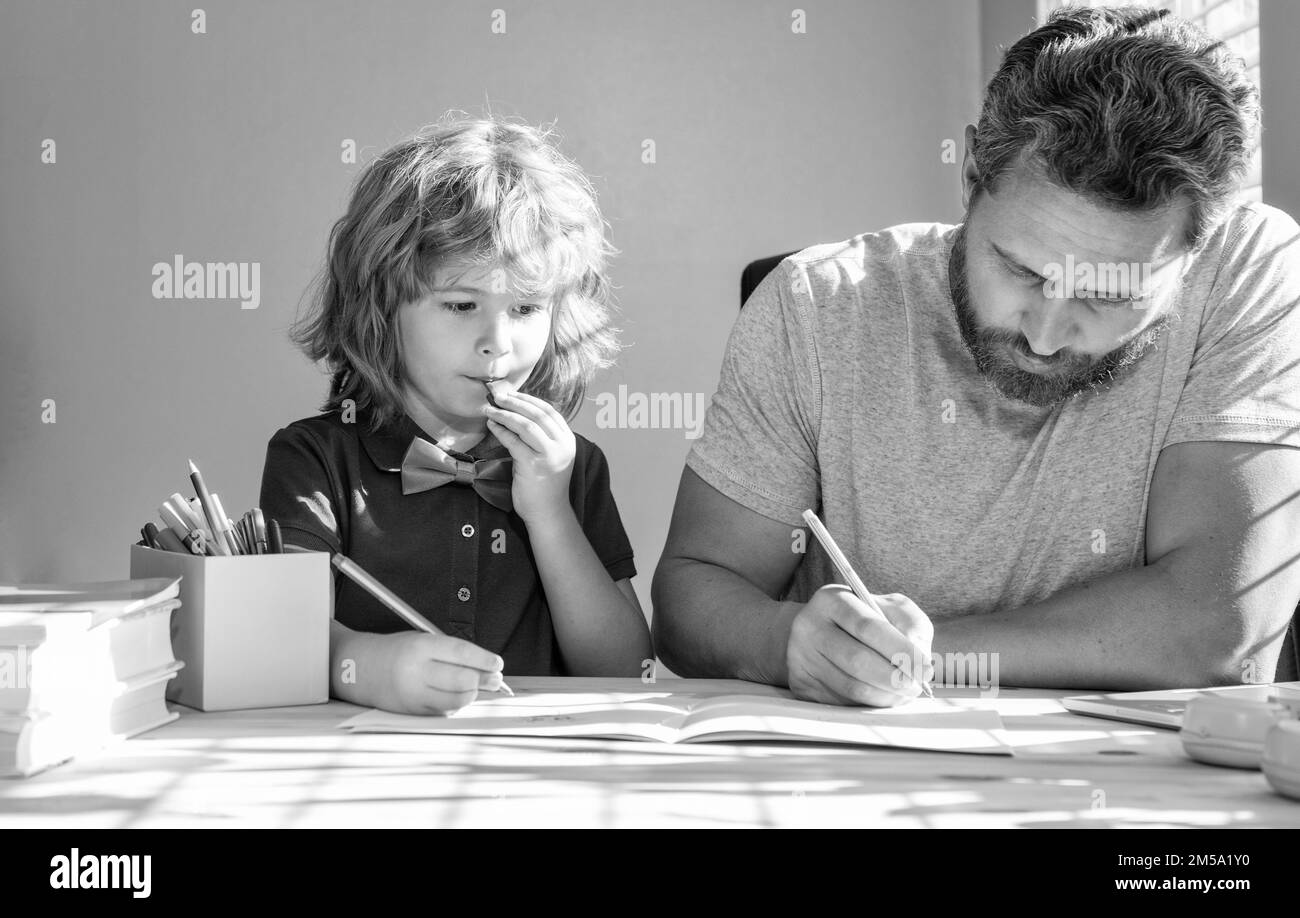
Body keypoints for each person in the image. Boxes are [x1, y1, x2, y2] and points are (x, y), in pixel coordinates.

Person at [653, 6, 1300, 705]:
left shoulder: (1249, 266)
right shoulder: (813, 303)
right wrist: (787, 645)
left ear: (1196, 254)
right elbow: (694, 593)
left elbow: (1217, 630)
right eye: (1022, 271)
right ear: (967, 177)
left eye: (1110, 295)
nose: (1047, 336)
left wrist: (919, 661)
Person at [261, 114, 651, 716]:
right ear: (381, 306)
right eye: (462, 304)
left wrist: (549, 508)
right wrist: (373, 668)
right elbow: (280, 636)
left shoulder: (573, 465)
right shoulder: (313, 459)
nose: (497, 341)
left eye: (525, 307)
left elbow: (627, 671)